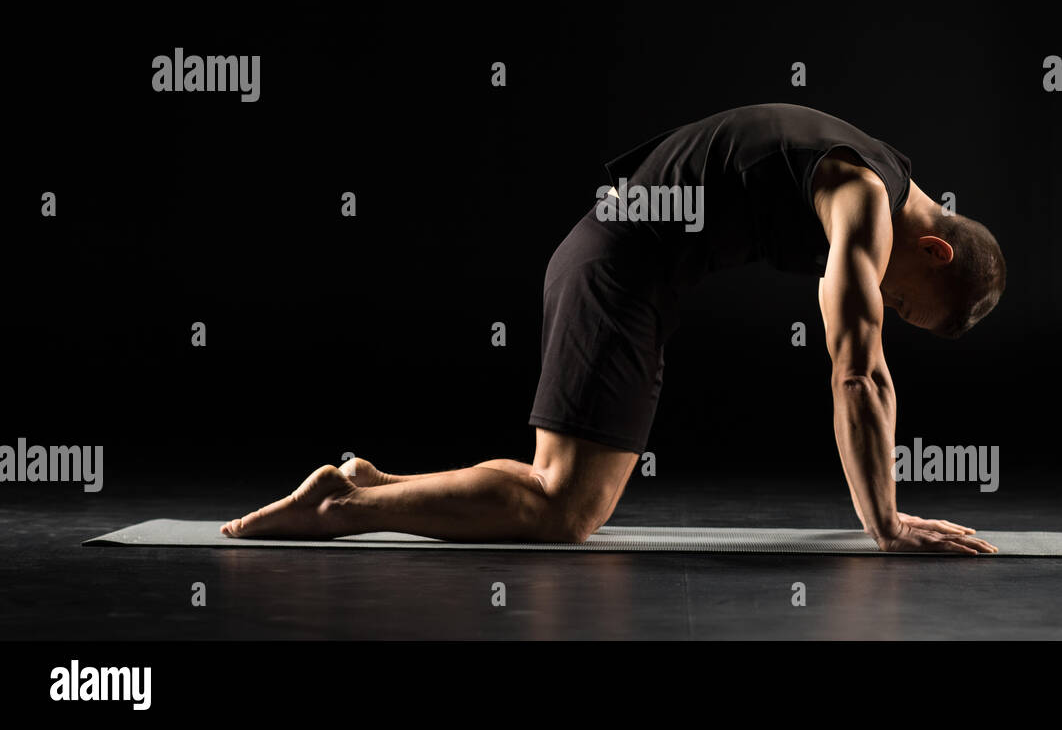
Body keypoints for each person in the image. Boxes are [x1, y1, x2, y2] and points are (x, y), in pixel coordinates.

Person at [222, 103, 1006, 553]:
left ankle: (372, 483)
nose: (890, 310)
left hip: (622, 264)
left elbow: (870, 367)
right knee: (566, 508)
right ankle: (339, 509)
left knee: (562, 488)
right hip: (617, 270)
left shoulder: (884, 176)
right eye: (907, 305)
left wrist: (885, 507)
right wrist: (886, 525)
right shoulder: (865, 198)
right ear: (934, 250)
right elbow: (857, 371)